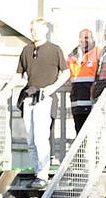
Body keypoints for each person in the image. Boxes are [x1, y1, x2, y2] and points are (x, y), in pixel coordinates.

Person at [14, 18, 68, 189]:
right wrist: (4, 90)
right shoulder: (26, 50)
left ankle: (43, 175)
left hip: (44, 97)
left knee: (40, 137)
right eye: (32, 29)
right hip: (28, 97)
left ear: (45, 30)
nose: (34, 32)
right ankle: (37, 172)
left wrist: (51, 89)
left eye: (36, 29)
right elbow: (18, 75)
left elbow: (66, 73)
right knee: (30, 138)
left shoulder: (55, 50)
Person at [65, 27, 99, 133]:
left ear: (92, 39)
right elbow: (66, 75)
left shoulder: (98, 52)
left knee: (92, 134)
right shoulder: (72, 55)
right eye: (81, 38)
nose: (83, 41)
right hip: (77, 102)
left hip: (92, 102)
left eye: (86, 38)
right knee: (79, 133)